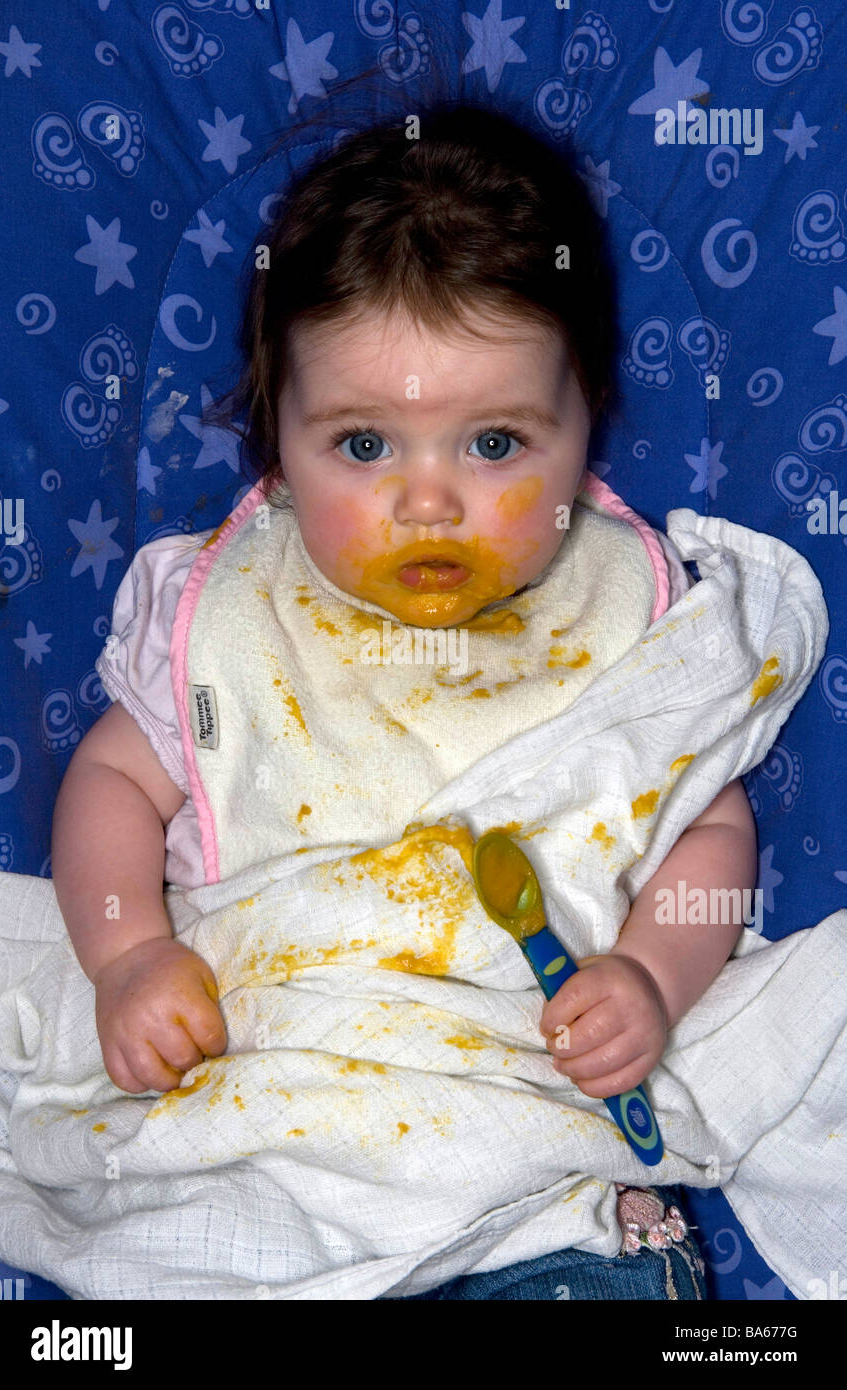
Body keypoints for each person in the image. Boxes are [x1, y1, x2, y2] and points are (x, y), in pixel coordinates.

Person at [51, 104, 753, 1300]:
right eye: (365, 446)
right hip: (271, 1132)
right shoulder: (224, 616)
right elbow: (113, 780)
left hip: (523, 1156)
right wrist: (126, 954)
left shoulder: (630, 624)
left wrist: (649, 972)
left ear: (585, 417)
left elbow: (712, 830)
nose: (428, 504)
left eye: (491, 443)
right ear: (276, 435)